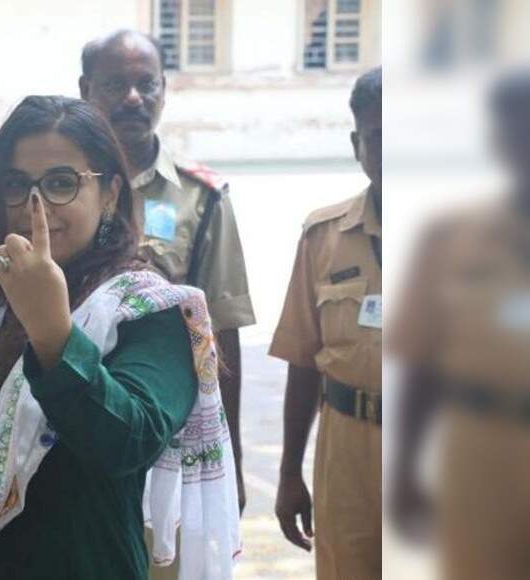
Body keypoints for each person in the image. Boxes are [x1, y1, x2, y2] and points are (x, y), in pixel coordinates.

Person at [0, 95, 239, 580]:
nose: (37, 205)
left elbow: (128, 442)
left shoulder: (147, 312)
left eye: (61, 183)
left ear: (110, 193)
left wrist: (54, 336)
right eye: (17, 184)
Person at [79, 30, 255, 520]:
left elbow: (222, 329)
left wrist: (231, 459)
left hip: (168, 425)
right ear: (85, 90)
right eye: (115, 85)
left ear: (163, 90)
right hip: (68, 417)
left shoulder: (202, 197)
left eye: (147, 84)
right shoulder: (60, 185)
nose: (134, 98)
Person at [390, 67, 530, 579]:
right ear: (499, 139)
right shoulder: (449, 238)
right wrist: (404, 472)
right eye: (519, 130)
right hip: (479, 450)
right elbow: (421, 361)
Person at [269, 67, 382, 580]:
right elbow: (302, 360)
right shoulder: (324, 237)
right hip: (349, 451)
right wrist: (290, 471)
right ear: (358, 144)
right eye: (380, 139)